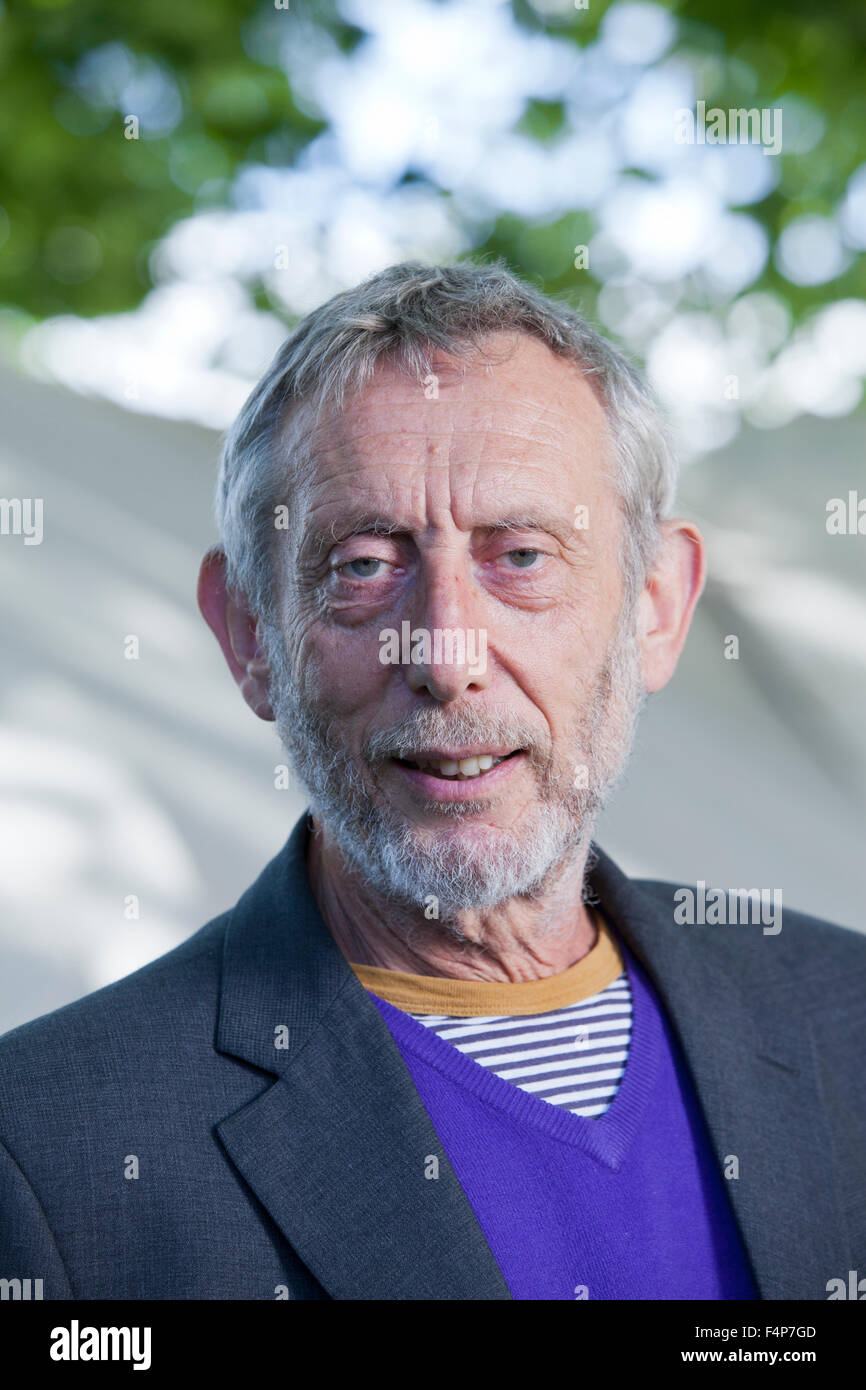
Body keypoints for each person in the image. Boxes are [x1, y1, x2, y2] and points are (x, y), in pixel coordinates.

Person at [0, 262, 862, 1301]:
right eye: (363, 565)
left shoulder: (844, 1020)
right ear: (249, 634)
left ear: (655, 607)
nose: (444, 649)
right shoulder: (48, 1155)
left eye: (522, 556)